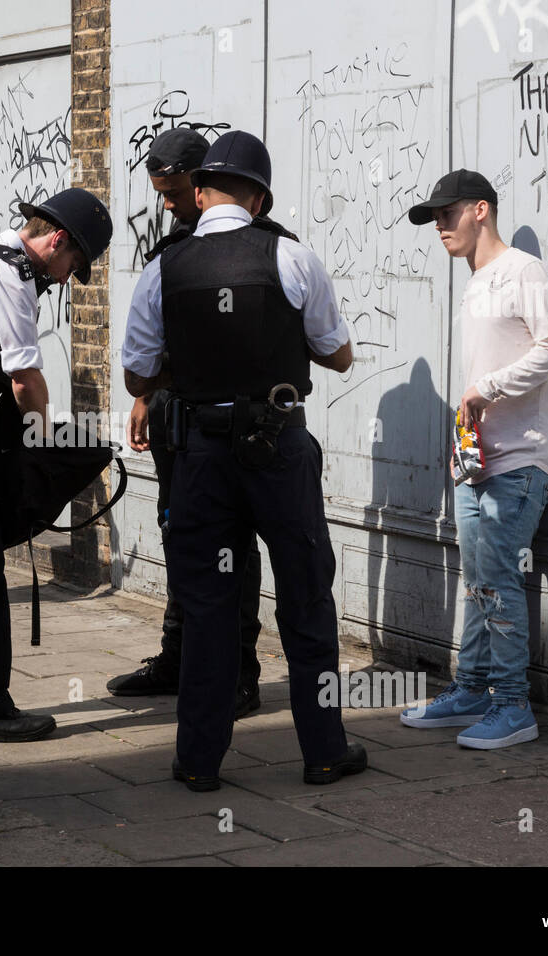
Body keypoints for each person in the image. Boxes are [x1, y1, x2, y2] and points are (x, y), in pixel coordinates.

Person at [121, 129, 367, 790]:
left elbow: (138, 377)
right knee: (304, 598)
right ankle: (322, 751)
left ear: (199, 193)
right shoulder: (292, 257)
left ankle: (198, 762)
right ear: (260, 198)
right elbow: (339, 354)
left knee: (207, 606)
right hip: (279, 443)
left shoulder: (162, 268)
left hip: (201, 451)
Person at [0, 187, 113, 743]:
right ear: (55, 240)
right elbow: (24, 376)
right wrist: (43, 435)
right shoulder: (10, 273)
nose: (65, 278)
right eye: (72, 264)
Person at [400, 169, 548, 749]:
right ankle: (471, 689)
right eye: (434, 220)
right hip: (478, 461)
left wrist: (486, 388)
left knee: (497, 575)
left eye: (446, 216)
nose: (440, 228)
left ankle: (513, 706)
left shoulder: (525, 271)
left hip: (524, 460)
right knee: (478, 579)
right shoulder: (476, 281)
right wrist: (464, 441)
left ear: (481, 210)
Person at [108, 127, 265, 719]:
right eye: (161, 194)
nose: (168, 205)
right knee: (181, 536)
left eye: (174, 194)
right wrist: (148, 396)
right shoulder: (174, 249)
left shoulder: (245, 248)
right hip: (179, 417)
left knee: (232, 546)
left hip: (233, 425)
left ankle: (240, 672)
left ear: (203, 186)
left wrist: (156, 382)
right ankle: (179, 656)